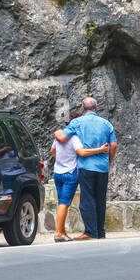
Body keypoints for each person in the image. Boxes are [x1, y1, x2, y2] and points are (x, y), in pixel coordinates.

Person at [58, 97, 116, 240]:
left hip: (86, 166)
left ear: (83, 109)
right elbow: (113, 145)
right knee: (100, 198)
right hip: (102, 167)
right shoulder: (106, 124)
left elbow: (63, 138)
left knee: (87, 199)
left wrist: (57, 133)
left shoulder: (77, 122)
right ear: (96, 108)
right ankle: (100, 232)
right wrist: (108, 161)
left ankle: (90, 232)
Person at [50, 109, 84, 242]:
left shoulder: (60, 136)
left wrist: (61, 160)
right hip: (70, 173)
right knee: (64, 203)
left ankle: (62, 231)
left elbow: (52, 151)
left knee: (61, 203)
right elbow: (80, 152)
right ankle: (58, 233)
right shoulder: (74, 138)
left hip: (58, 172)